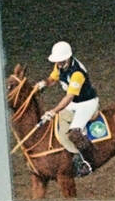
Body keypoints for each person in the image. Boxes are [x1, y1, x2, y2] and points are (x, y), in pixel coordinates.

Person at [33, 41, 96, 177]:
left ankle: (87, 163)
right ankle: (74, 153)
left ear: (68, 58)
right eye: (57, 61)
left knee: (74, 133)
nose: (58, 64)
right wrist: (44, 83)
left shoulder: (77, 73)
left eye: (60, 61)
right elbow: (53, 78)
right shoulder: (59, 65)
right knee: (60, 130)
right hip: (75, 102)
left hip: (86, 103)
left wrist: (54, 110)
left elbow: (69, 97)